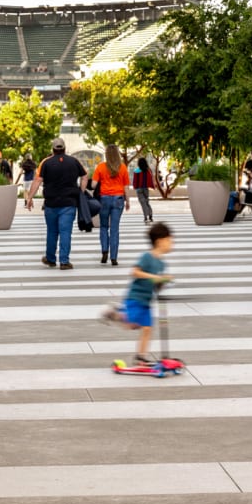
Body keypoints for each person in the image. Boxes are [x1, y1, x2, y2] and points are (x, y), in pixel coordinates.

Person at [102, 222, 175, 366]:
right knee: (131, 324)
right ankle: (114, 313)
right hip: (135, 297)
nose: (172, 244)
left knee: (147, 328)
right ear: (160, 241)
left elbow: (157, 285)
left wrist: (163, 282)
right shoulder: (147, 257)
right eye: (170, 241)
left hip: (146, 301)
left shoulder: (162, 264)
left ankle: (140, 357)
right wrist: (154, 277)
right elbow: (135, 272)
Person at [26, 137, 88, 270]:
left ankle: (50, 259)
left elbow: (37, 180)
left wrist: (29, 198)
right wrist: (81, 192)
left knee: (52, 231)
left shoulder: (46, 163)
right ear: (64, 148)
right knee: (65, 232)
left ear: (53, 149)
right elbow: (84, 176)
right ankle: (64, 261)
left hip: (51, 203)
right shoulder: (74, 161)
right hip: (69, 203)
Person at [92, 144, 131, 265]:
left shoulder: (100, 167)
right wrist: (128, 201)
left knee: (104, 226)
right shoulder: (123, 167)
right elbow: (126, 187)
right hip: (118, 199)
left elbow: (93, 185)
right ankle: (114, 257)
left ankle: (104, 250)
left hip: (104, 199)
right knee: (115, 229)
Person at [132, 157, 158, 223]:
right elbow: (150, 179)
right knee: (146, 202)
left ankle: (146, 217)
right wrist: (152, 186)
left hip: (139, 189)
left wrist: (134, 187)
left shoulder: (136, 171)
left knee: (143, 203)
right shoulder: (148, 170)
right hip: (146, 189)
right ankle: (150, 215)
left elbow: (135, 181)